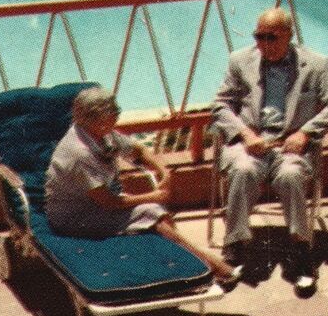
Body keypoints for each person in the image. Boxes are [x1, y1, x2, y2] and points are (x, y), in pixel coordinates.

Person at [212, 7, 328, 298]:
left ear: (289, 35)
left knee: (290, 176)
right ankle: (236, 245)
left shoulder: (314, 65)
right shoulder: (241, 61)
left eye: (271, 37)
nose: (263, 44)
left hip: (290, 145)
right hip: (251, 142)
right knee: (243, 170)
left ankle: (301, 249)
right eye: (258, 37)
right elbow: (220, 105)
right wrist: (245, 133)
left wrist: (306, 132)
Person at [45, 86, 241, 289]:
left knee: (158, 215)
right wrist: (154, 196)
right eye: (114, 113)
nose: (117, 117)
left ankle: (193, 266)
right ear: (98, 119)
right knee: (151, 212)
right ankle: (214, 267)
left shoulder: (101, 134)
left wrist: (163, 170)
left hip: (100, 203)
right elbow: (109, 201)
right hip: (77, 217)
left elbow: (137, 151)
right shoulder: (81, 153)